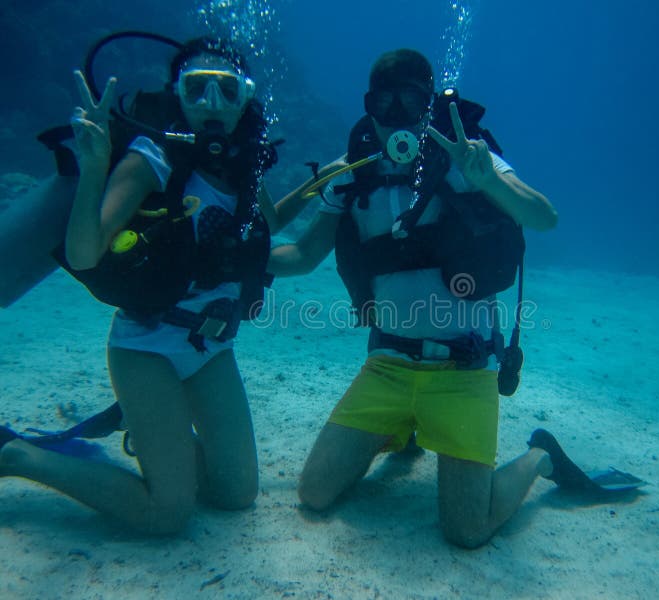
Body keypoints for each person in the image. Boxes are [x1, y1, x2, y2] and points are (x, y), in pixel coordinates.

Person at [0, 36, 322, 534]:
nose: (212, 103)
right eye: (196, 89)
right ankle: (18, 455)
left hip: (211, 346)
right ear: (177, 94)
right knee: (167, 512)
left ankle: (149, 423)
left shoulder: (245, 162)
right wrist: (93, 166)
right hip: (146, 345)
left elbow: (271, 222)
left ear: (245, 98)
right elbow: (84, 254)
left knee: (235, 494)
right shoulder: (154, 156)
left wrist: (323, 185)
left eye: (226, 90)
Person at [268, 49, 560, 548]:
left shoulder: (469, 160)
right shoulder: (351, 174)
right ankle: (402, 429)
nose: (397, 115)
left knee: (467, 529)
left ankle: (539, 456)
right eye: (384, 103)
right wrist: (231, 256)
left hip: (464, 371)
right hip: (388, 366)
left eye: (411, 101)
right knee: (314, 492)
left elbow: (544, 217)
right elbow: (301, 255)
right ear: (369, 107)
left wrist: (488, 179)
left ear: (429, 106)